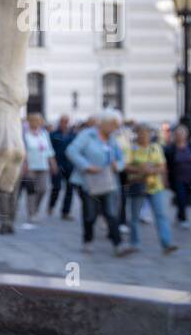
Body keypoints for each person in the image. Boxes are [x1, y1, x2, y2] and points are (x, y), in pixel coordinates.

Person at [66, 109, 131, 256]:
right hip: (88, 182)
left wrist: (118, 165)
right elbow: (71, 151)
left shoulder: (112, 139)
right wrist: (86, 166)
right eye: (114, 125)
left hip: (108, 181)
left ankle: (118, 244)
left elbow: (121, 158)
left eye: (117, 125)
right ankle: (87, 240)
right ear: (104, 123)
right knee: (90, 214)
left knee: (111, 213)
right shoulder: (87, 135)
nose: (116, 128)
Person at [125, 124, 177, 254]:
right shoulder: (132, 149)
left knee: (161, 215)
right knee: (134, 216)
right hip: (137, 185)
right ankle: (134, 242)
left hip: (155, 186)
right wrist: (141, 169)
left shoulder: (156, 148)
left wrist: (152, 170)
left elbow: (163, 167)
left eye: (146, 133)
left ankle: (166, 243)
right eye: (141, 133)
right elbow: (125, 166)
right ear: (137, 134)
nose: (143, 136)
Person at [21, 113, 56, 228]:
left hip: (43, 166)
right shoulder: (25, 134)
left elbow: (49, 149)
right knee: (31, 190)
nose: (37, 123)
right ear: (30, 122)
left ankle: (36, 208)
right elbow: (23, 151)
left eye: (39, 120)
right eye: (34, 120)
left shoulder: (44, 133)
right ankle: (31, 213)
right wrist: (25, 164)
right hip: (30, 166)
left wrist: (53, 163)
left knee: (43, 189)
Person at [164, 124, 191, 227]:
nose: (180, 136)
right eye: (178, 134)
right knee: (181, 197)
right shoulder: (170, 149)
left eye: (182, 134)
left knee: (186, 197)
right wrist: (165, 179)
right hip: (177, 177)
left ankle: (180, 214)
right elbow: (166, 165)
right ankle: (183, 218)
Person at [47, 115, 78, 220]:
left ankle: (66, 212)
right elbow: (49, 150)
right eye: (63, 121)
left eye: (66, 122)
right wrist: (52, 164)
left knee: (70, 189)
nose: (65, 124)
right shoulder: (53, 134)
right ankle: (51, 205)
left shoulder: (73, 135)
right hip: (57, 164)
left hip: (70, 165)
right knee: (56, 187)